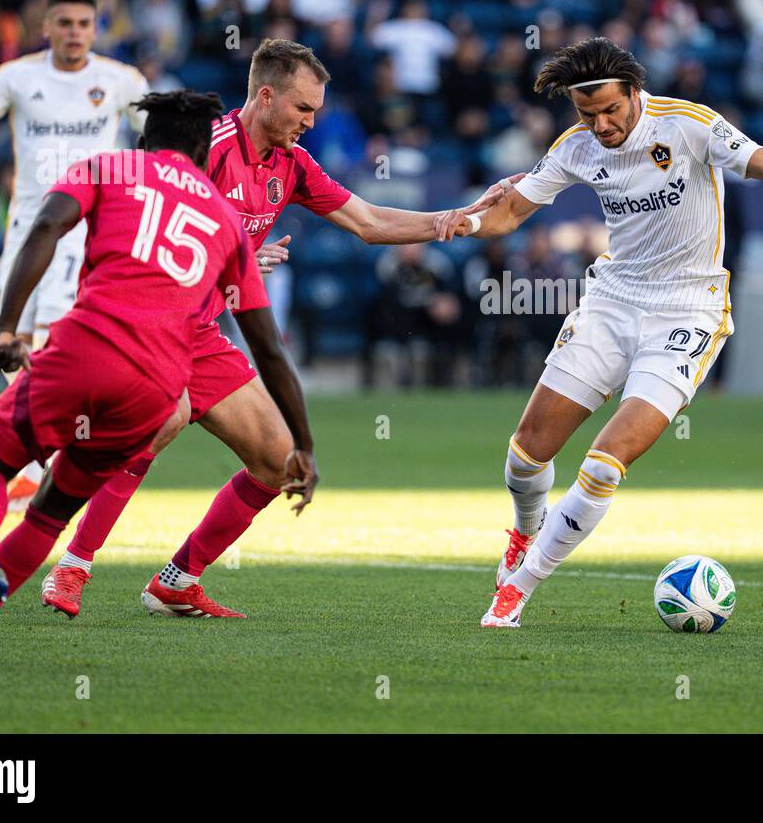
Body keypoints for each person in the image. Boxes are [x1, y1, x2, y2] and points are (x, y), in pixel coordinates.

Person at [37, 39, 520, 618]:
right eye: (302, 109)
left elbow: (367, 221)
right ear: (265, 96)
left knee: (279, 460)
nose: (311, 123)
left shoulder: (290, 163)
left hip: (202, 330)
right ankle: (72, 567)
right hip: (150, 325)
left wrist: (452, 220)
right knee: (159, 423)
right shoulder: (206, 145)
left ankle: (176, 579)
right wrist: (225, 253)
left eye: (315, 111)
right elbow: (148, 215)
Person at [435, 36, 763, 628]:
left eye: (611, 111)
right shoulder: (575, 147)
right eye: (587, 114)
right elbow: (509, 212)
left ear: (635, 93)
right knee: (525, 458)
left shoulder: (689, 125)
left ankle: (516, 591)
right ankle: (526, 532)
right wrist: (461, 220)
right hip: (610, 302)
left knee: (603, 463)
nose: (601, 125)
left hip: (687, 311)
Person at [0, 91, 317, 661]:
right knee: (50, 511)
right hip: (155, 388)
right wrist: (307, 446)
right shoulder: (225, 220)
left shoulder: (111, 165)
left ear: (144, 141)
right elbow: (268, 345)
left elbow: (46, 225)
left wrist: (7, 329)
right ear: (203, 152)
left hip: (83, 349)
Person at [0, 0, 150, 507]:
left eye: (84, 23)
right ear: (46, 27)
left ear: (97, 29)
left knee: (52, 335)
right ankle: (41, 455)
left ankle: (52, 458)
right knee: (9, 341)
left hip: (85, 225)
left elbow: (163, 131)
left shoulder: (119, 80)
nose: (74, 32)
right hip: (26, 225)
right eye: (64, 23)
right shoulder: (17, 77)